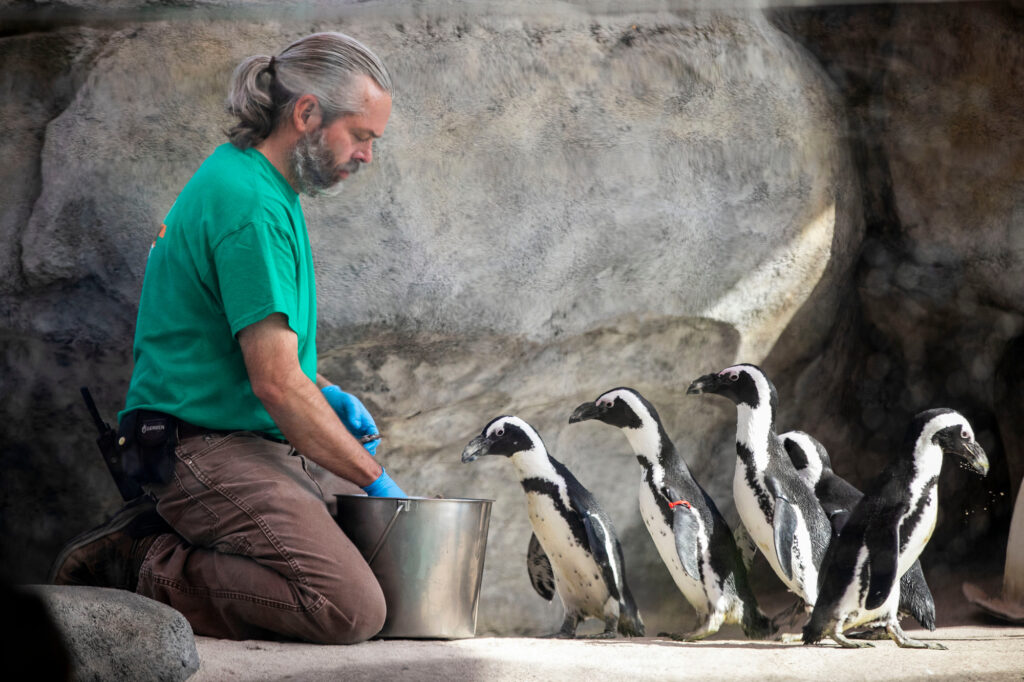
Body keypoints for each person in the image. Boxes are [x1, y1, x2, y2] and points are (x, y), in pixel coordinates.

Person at [49, 32, 405, 644]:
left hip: (244, 438)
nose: (368, 155)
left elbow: (264, 355)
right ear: (306, 113)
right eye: (362, 135)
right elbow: (274, 381)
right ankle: (139, 564)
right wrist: (374, 478)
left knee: (392, 569)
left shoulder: (261, 185)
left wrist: (327, 391)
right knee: (348, 607)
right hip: (199, 447)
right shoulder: (250, 207)